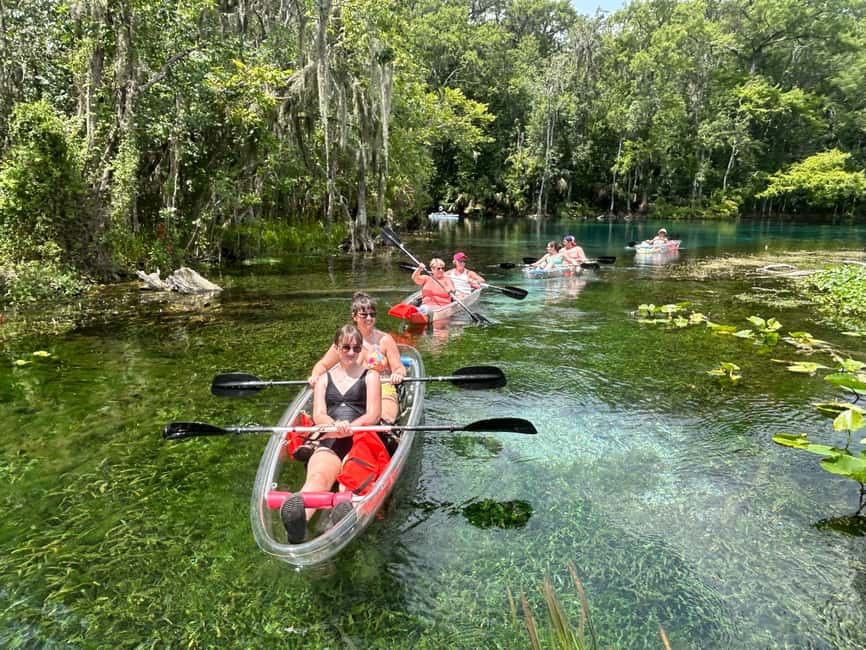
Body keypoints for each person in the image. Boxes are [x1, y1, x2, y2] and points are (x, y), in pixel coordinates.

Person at [282, 324, 382, 543]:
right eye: (346, 347)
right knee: (317, 478)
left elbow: (374, 415)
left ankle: (340, 521)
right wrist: (335, 425)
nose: (351, 353)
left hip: (361, 436)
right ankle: (297, 526)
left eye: (356, 349)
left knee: (351, 482)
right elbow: (319, 414)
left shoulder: (370, 376)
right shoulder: (324, 379)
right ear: (336, 348)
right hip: (331, 435)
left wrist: (351, 426)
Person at [308, 292, 405, 424]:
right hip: (351, 389)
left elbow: (399, 367)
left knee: (386, 419)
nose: (369, 318)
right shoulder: (345, 342)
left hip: (382, 387)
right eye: (364, 315)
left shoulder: (385, 340)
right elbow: (323, 365)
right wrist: (315, 376)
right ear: (354, 316)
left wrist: (398, 374)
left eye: (373, 314)